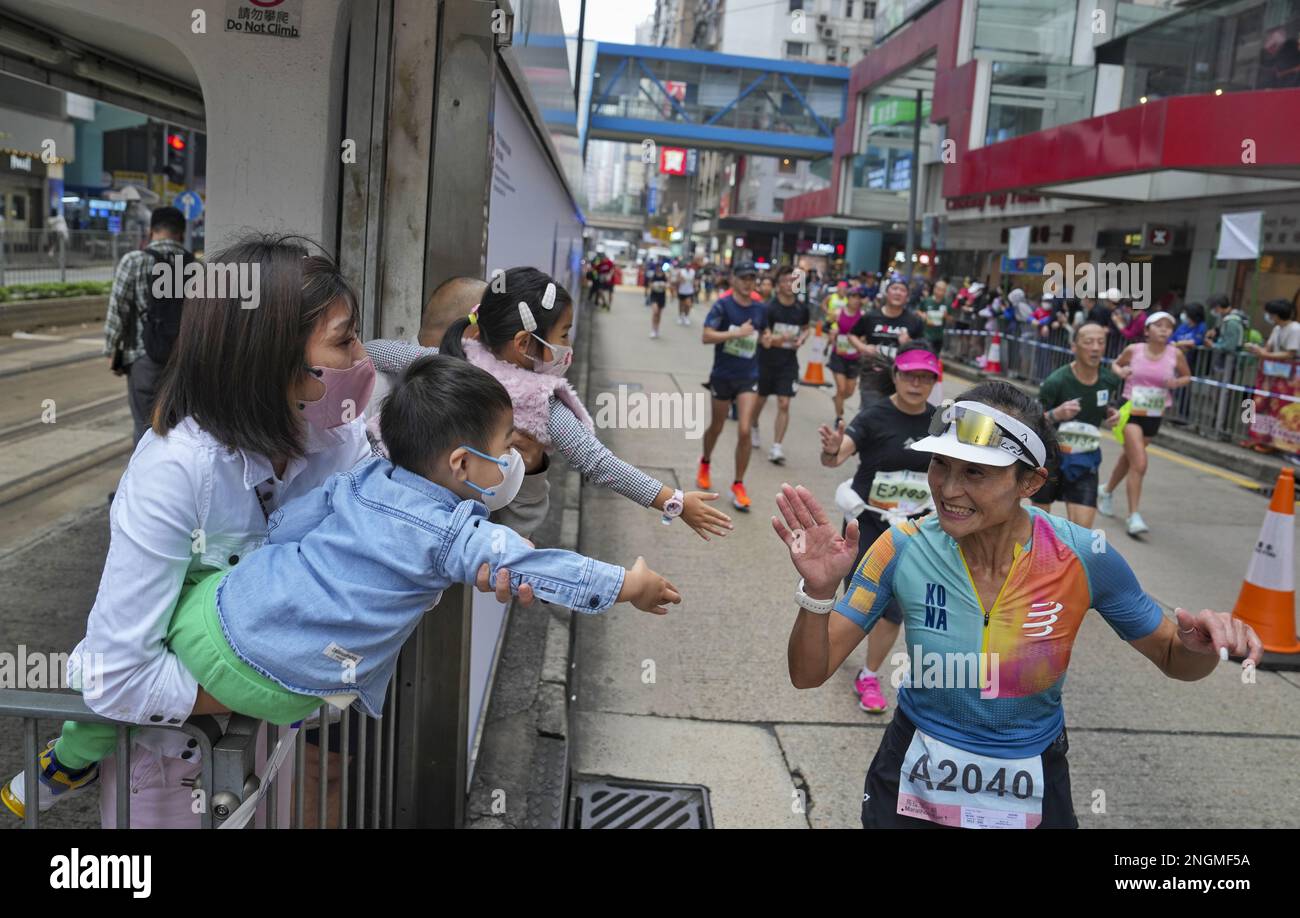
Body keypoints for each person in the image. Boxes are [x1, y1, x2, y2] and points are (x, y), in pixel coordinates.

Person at [3, 354, 681, 818]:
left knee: (141, 651)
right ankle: (74, 755)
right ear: (459, 462)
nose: (511, 460)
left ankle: (67, 758)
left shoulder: (359, 478)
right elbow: (534, 567)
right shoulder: (456, 535)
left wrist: (282, 581)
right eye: (504, 446)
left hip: (218, 616)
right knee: (282, 719)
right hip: (279, 683)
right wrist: (626, 582)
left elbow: (288, 527)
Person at [28, 235, 531, 829]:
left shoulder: (333, 437)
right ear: (272, 355)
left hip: (269, 755)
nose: (361, 356)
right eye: (343, 339)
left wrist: (477, 537)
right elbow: (115, 681)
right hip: (168, 769)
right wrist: (283, 680)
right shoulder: (175, 471)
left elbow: (397, 516)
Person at [776, 381, 1263, 829]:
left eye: (976, 473)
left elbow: (1172, 657)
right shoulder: (900, 547)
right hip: (911, 781)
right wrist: (818, 594)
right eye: (940, 464)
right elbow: (808, 673)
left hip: (1034, 779)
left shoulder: (1082, 556)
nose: (947, 489)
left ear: (1030, 483)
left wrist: (1197, 646)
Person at [371, 268, 732, 539]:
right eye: (563, 333)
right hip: (434, 528)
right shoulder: (538, 404)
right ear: (525, 343)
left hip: (376, 492)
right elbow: (599, 463)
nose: (568, 343)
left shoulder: (448, 357)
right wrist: (674, 501)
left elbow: (377, 352)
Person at [364, 274, 552, 541]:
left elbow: (504, 534)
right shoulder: (372, 395)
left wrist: (529, 469)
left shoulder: (488, 399)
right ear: (474, 337)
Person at [817, 343, 939, 715]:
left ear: (934, 381)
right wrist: (833, 449)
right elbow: (834, 457)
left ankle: (869, 675)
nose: (916, 384)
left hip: (913, 529)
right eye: (909, 375)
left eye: (925, 377)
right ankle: (828, 648)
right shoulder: (874, 415)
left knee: (893, 606)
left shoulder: (940, 422)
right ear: (896, 377)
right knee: (860, 598)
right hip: (867, 522)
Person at [102, 206, 191, 444]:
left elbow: (117, 309)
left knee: (145, 428)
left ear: (151, 231)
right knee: (182, 429)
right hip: (184, 362)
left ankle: (145, 476)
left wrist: (112, 351)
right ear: (182, 234)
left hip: (144, 358)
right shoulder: (196, 266)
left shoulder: (134, 261)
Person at [1098, 312, 1192, 536]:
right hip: (1130, 409)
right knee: (1139, 462)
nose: (1164, 330)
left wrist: (1175, 382)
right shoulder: (1135, 350)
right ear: (1147, 330)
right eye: (1159, 326)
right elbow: (1115, 364)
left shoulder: (1175, 354)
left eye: (1168, 327)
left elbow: (1187, 376)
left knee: (1130, 456)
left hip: (1154, 412)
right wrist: (1122, 371)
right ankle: (1134, 517)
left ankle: (1107, 491)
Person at [1030, 323, 1121, 529]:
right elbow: (1033, 420)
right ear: (1074, 347)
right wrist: (1056, 414)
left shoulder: (1108, 380)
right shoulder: (1056, 381)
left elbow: (1105, 402)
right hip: (1051, 458)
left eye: (1100, 342)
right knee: (1040, 528)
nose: (1095, 348)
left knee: (1082, 533)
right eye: (1088, 342)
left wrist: (1110, 412)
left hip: (1084, 457)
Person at [699, 261, 765, 512]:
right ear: (734, 280)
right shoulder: (723, 306)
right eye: (744, 277)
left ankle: (738, 483)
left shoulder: (760, 309)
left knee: (745, 430)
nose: (749, 282)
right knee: (717, 426)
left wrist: (773, 339)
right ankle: (705, 462)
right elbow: (706, 336)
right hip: (723, 375)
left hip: (749, 376)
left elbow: (764, 336)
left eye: (752, 278)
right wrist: (736, 334)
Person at [755, 266, 811, 466]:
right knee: (759, 401)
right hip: (766, 361)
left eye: (794, 281)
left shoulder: (802, 308)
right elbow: (765, 340)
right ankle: (754, 425)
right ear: (778, 285)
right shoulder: (768, 308)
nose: (790, 285)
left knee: (784, 403)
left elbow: (806, 329)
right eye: (786, 281)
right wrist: (781, 338)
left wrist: (802, 339)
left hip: (788, 363)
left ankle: (776, 446)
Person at [850, 275, 925, 412]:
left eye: (902, 290)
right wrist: (863, 347)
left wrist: (909, 343)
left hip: (901, 378)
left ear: (907, 296)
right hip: (872, 376)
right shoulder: (871, 317)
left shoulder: (914, 321)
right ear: (887, 292)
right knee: (872, 413)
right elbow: (852, 334)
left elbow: (923, 349)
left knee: (894, 416)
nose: (897, 293)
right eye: (894, 288)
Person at [827, 285, 868, 425]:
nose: (856, 300)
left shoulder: (862, 316)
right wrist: (832, 335)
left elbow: (865, 335)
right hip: (838, 355)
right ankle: (839, 417)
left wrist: (861, 340)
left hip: (855, 358)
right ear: (848, 298)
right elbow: (830, 327)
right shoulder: (839, 313)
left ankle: (838, 399)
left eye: (858, 298)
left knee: (849, 391)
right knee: (841, 388)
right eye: (853, 297)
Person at [646, 260, 670, 338]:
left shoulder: (665, 275)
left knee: (659, 314)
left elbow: (668, 284)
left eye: (660, 267)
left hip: (662, 296)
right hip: (654, 295)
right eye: (658, 267)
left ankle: (657, 329)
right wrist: (655, 286)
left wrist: (664, 285)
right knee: (655, 312)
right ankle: (653, 329)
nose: (659, 268)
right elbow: (650, 284)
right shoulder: (653, 275)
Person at [674, 260, 697, 325]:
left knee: (688, 305)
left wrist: (695, 285)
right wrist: (680, 280)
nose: (688, 267)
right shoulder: (681, 271)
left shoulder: (693, 272)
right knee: (681, 305)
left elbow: (694, 280)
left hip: (689, 291)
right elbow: (677, 280)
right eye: (687, 266)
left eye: (689, 266)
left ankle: (686, 316)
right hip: (682, 291)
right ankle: (680, 316)